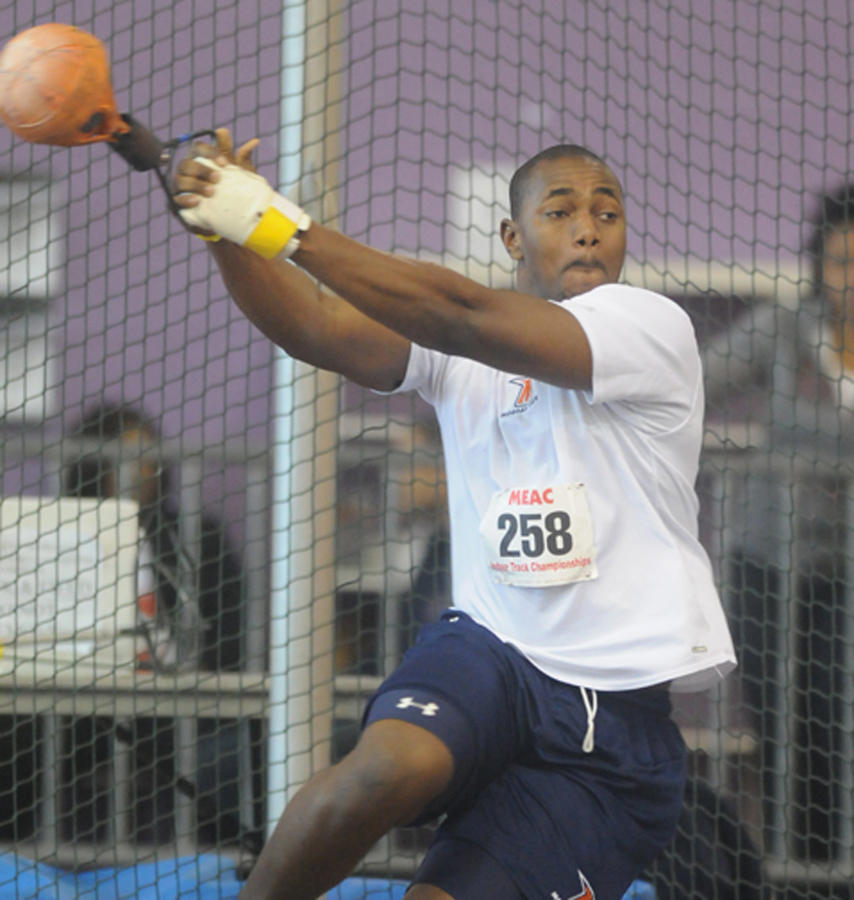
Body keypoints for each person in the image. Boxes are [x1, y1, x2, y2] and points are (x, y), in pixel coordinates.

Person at [172, 133, 736, 900]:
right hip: (491, 647)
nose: (588, 228)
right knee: (382, 772)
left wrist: (276, 223)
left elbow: (462, 315)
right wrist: (225, 233)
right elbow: (319, 328)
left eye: (608, 213)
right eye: (561, 210)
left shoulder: (648, 327)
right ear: (513, 237)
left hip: (607, 719)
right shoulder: (459, 345)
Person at [701, 183, 854, 862]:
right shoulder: (784, 328)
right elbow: (695, 381)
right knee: (786, 728)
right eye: (840, 260)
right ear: (819, 262)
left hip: (844, 577)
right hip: (767, 566)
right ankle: (796, 872)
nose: (849, 279)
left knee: (839, 727)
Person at [64, 402, 250, 845]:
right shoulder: (59, 535)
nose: (141, 470)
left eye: (149, 456)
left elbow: (231, 636)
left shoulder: (197, 537)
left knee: (249, 747)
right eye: (126, 457)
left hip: (181, 710)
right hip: (83, 716)